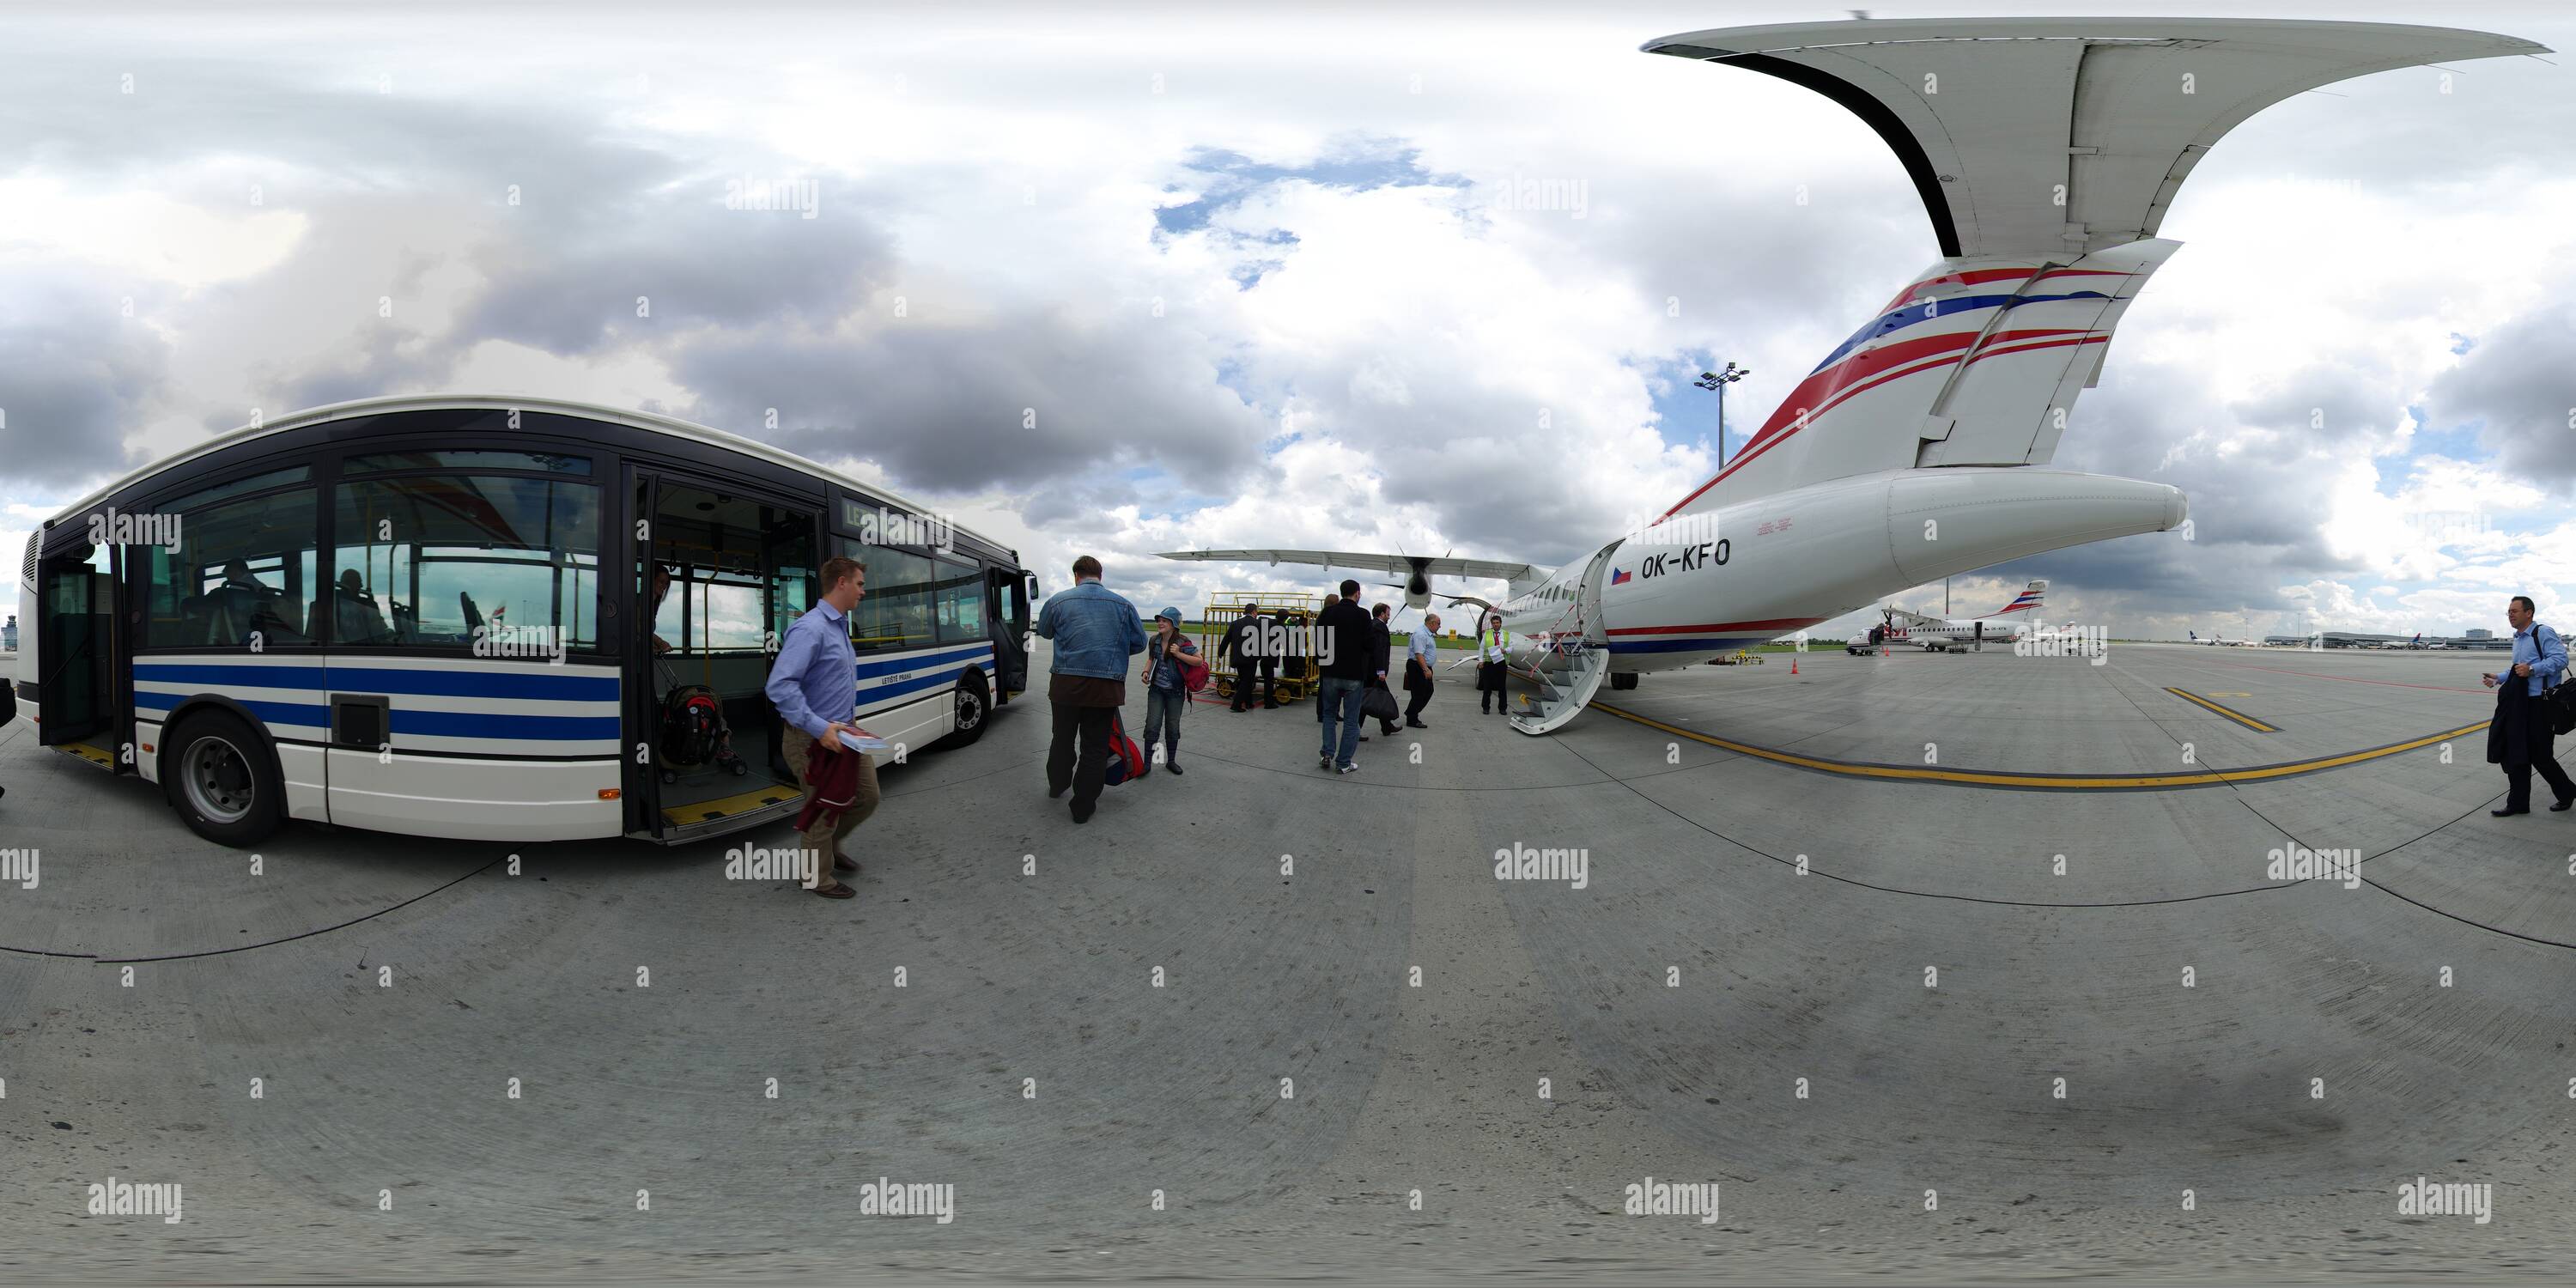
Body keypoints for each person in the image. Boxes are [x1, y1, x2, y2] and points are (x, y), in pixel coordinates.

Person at [764, 556, 877, 899]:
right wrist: (819, 727)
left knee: (868, 796)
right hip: (811, 738)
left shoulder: (839, 625)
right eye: (859, 584)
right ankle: (816, 878)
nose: (863, 591)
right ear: (841, 582)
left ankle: (829, 845)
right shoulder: (811, 628)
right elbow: (780, 687)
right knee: (823, 810)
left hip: (845, 732)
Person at [1036, 555, 1147, 823]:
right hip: (1105, 689)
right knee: (1095, 747)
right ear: (1101, 575)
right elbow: (1140, 643)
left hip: (1065, 686)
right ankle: (1082, 807)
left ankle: (1057, 784)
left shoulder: (1058, 601)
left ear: (1076, 575)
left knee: (1061, 738)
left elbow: (1044, 631)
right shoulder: (1123, 604)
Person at [2484, 594, 2572, 817]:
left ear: (2528, 612)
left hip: (2542, 704)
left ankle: (2567, 792)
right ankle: (2518, 803)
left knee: (2541, 756)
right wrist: (2498, 678)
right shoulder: (2518, 638)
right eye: (2509, 612)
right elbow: (2517, 669)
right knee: (2516, 753)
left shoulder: (2542, 632)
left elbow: (2561, 660)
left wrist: (2533, 670)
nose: (2510, 615)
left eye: (2514, 611)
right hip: (2520, 703)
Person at [1315, 580, 1375, 774]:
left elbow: (1320, 642)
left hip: (1330, 672)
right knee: (1351, 720)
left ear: (1342, 593)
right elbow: (1369, 645)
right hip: (1353, 675)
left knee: (1329, 714)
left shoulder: (1327, 613)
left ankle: (1327, 753)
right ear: (1357, 594)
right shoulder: (1363, 615)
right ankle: (1343, 763)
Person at [1139, 606, 1202, 775]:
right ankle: (1147, 764)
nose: (1160, 623)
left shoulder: (1182, 642)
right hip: (1156, 691)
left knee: (1172, 727)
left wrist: (1179, 654)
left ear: (1173, 623)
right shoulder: (1154, 641)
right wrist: (1146, 671)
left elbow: (1199, 661)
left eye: (1164, 620)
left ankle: (1171, 761)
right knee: (1152, 726)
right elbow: (1151, 659)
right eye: (1159, 620)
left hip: (1176, 692)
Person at [1220, 603, 1263, 713]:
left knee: (1245, 680)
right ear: (1254, 612)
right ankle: (1236, 705)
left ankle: (1248, 703)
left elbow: (1226, 639)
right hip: (1250, 659)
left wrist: (1221, 652)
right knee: (1247, 682)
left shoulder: (1235, 623)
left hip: (1237, 658)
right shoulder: (1257, 624)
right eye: (1256, 611)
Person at [1366, 604, 1400, 738]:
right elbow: (1379, 650)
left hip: (1372, 670)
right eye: (1388, 613)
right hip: (1375, 671)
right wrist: (1381, 670)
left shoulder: (1372, 625)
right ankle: (1355, 730)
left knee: (1381, 697)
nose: (1389, 616)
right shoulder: (1379, 627)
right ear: (1381, 614)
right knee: (1368, 700)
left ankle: (1387, 727)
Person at [1403, 612, 1441, 728]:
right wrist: (1425, 669)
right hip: (1418, 666)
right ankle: (1412, 719)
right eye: (1438, 624)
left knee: (1427, 691)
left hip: (1422, 666)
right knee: (1419, 693)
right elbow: (1419, 654)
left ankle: (1411, 712)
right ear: (1432, 623)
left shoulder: (1426, 633)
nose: (1440, 626)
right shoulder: (1421, 634)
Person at [1477, 609, 1510, 714]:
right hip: (1489, 662)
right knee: (1487, 687)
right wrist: (1481, 660)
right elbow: (1482, 648)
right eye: (1494, 623)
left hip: (1501, 663)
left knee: (1502, 687)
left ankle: (1502, 708)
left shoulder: (1506, 634)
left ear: (1500, 624)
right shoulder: (1487, 634)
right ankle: (1486, 708)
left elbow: (1511, 647)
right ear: (1491, 624)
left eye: (1497, 623)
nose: (1496, 624)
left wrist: (1505, 650)